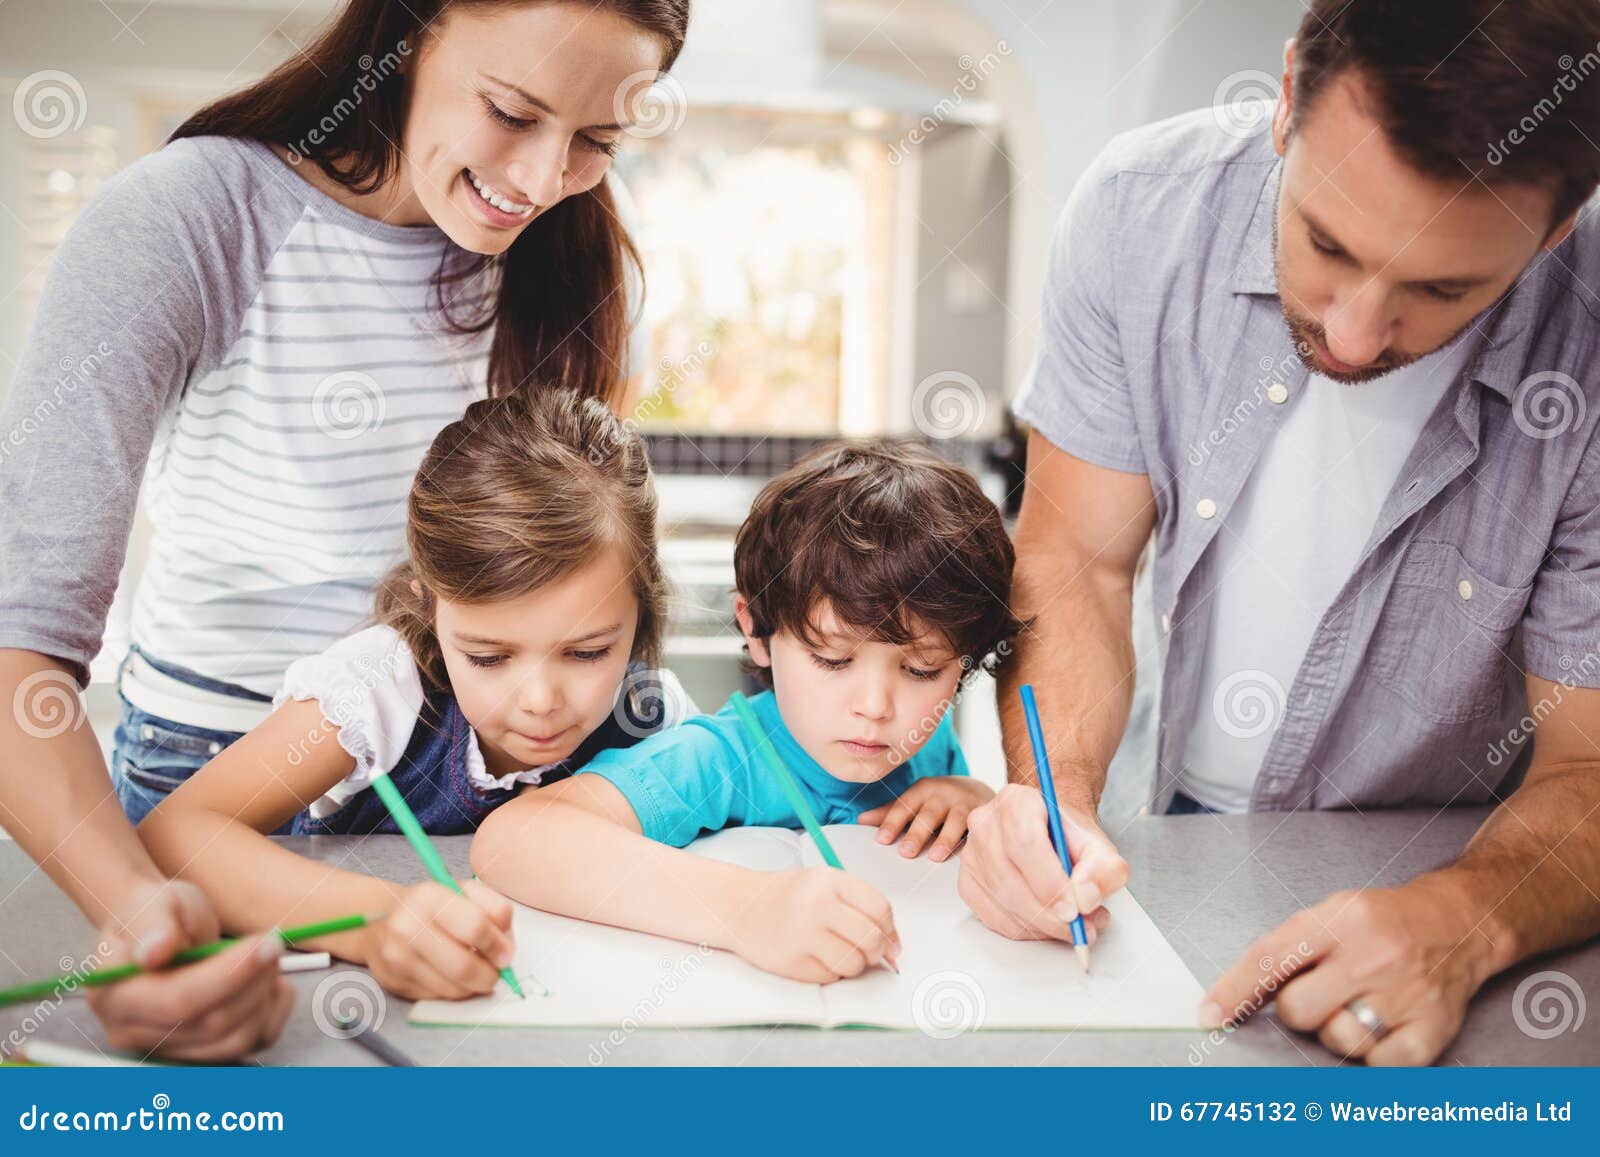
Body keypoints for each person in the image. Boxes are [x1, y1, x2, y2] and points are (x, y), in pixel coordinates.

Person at [0, 0, 690, 1057]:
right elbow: (19, 645)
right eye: (512, 110)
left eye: (598, 138)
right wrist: (141, 909)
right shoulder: (192, 218)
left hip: (465, 764)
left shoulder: (572, 256)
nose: (547, 178)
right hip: (214, 785)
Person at [959, 0, 1600, 1065]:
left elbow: (1589, 761)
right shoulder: (1138, 212)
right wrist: (1050, 800)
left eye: (1444, 288)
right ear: (1289, 92)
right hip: (1152, 836)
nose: (1352, 333)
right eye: (1326, 241)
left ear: (1563, 219)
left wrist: (1471, 918)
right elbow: (1076, 558)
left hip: (1455, 874)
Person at [138, 389, 692, 1001]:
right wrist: (374, 923)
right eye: (488, 657)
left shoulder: (650, 714)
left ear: (642, 607)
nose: (539, 700)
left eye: (588, 652)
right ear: (429, 601)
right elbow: (176, 836)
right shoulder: (377, 688)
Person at [471, 442, 1035, 983]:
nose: (875, 709)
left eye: (922, 670)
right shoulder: (718, 759)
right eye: (833, 659)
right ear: (757, 631)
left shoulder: (927, 746)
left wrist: (972, 798)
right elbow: (517, 838)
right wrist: (747, 909)